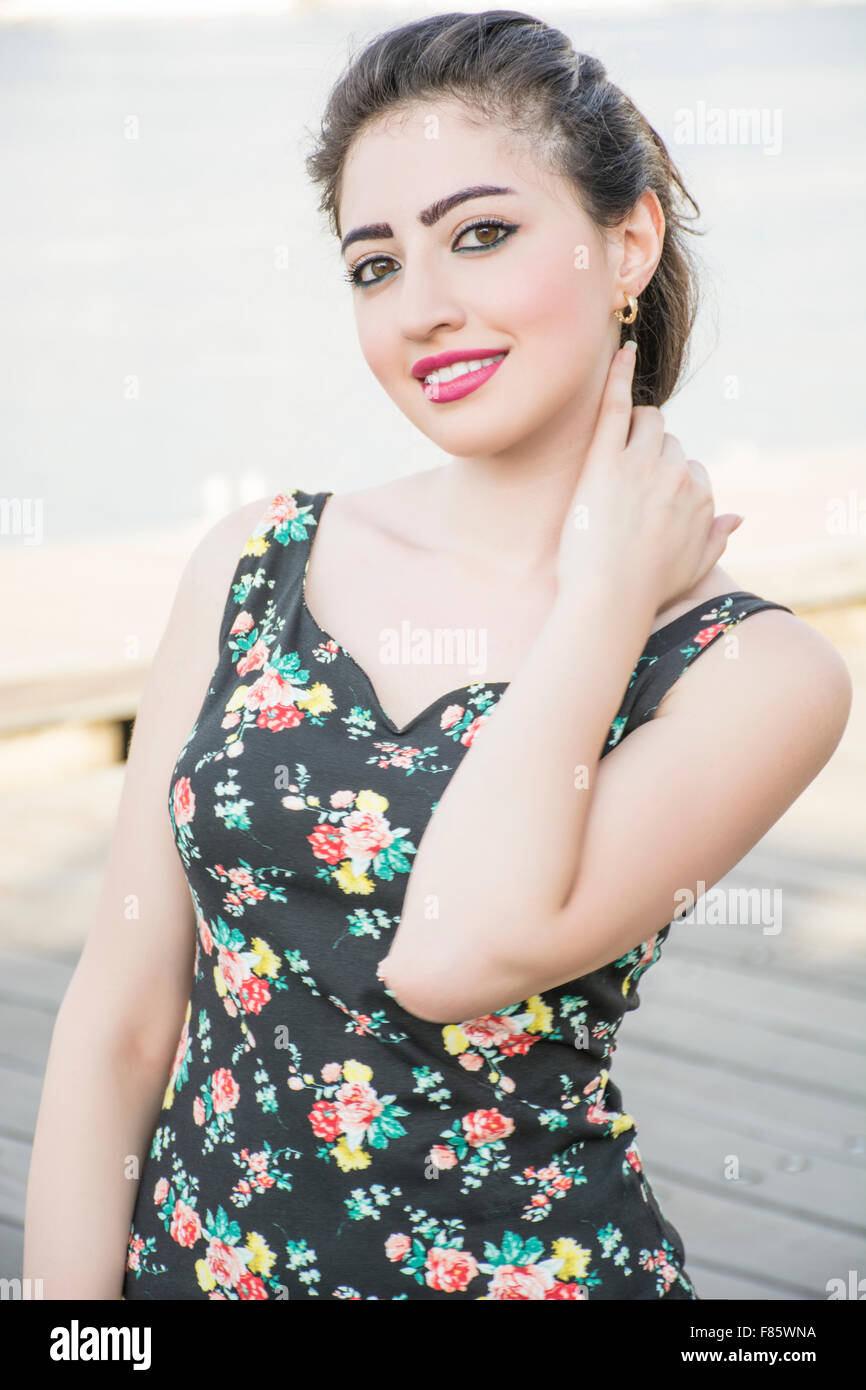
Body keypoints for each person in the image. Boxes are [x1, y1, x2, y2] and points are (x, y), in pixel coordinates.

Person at [24, 10, 851, 1301]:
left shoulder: (748, 671)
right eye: (373, 265)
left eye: (481, 234)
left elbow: (452, 954)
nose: (423, 309)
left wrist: (599, 600)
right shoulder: (255, 563)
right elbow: (124, 1013)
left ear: (625, 240)